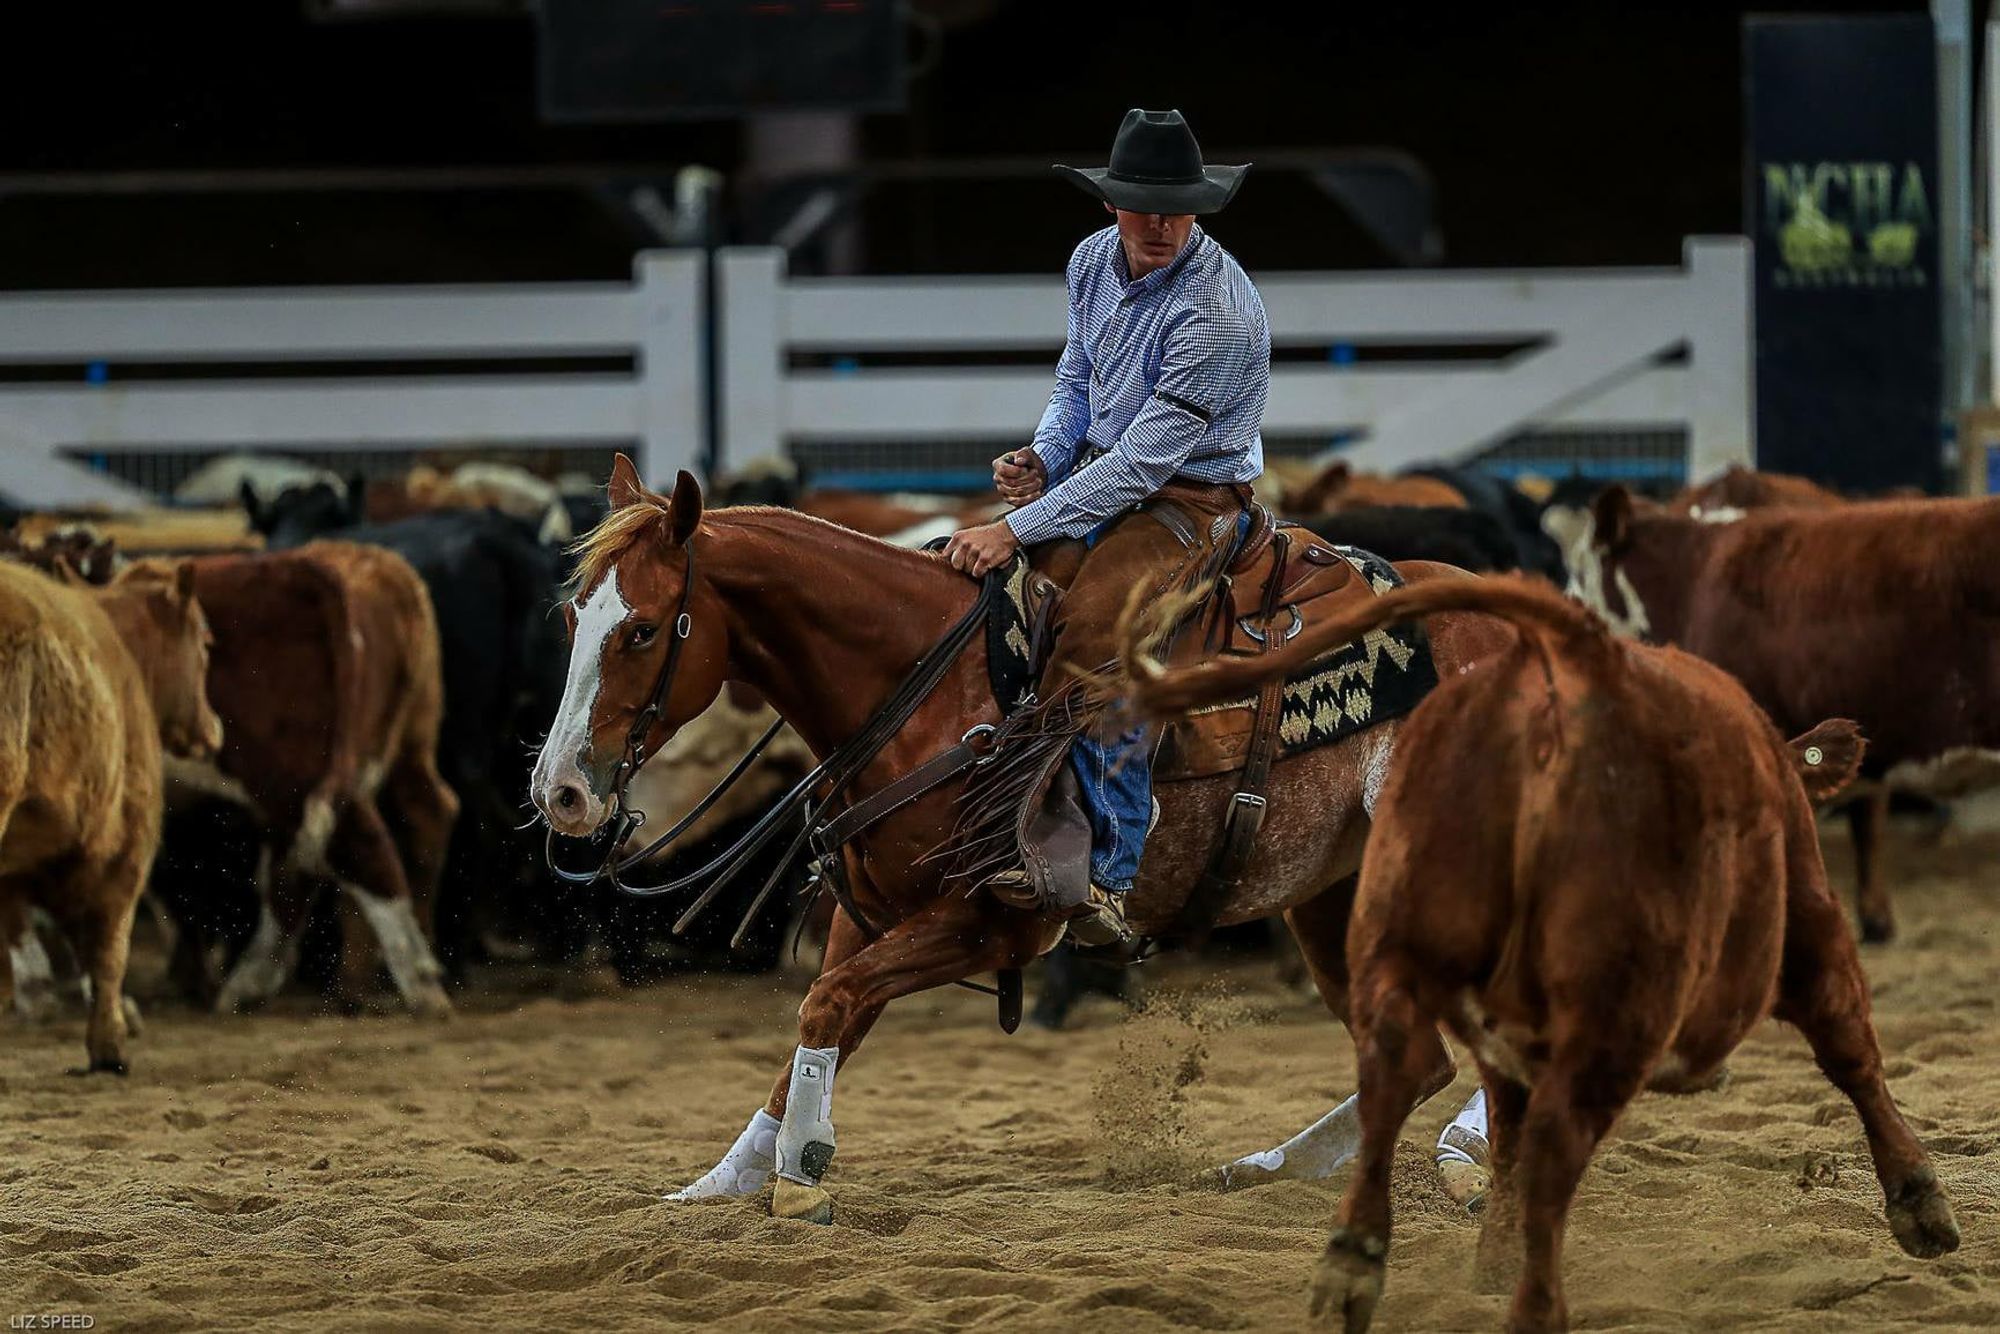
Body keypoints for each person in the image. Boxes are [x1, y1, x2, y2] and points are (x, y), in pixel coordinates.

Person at [942, 108, 1270, 945]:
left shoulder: (1220, 313)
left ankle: (1112, 865)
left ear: (1198, 210)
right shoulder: (1093, 262)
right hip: (1107, 476)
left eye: (1176, 207)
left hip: (1191, 501)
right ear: (1111, 207)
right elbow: (1077, 381)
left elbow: (1145, 465)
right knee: (975, 600)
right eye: (1142, 204)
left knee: (1099, 629)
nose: (1159, 222)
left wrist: (1016, 528)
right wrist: (1046, 458)